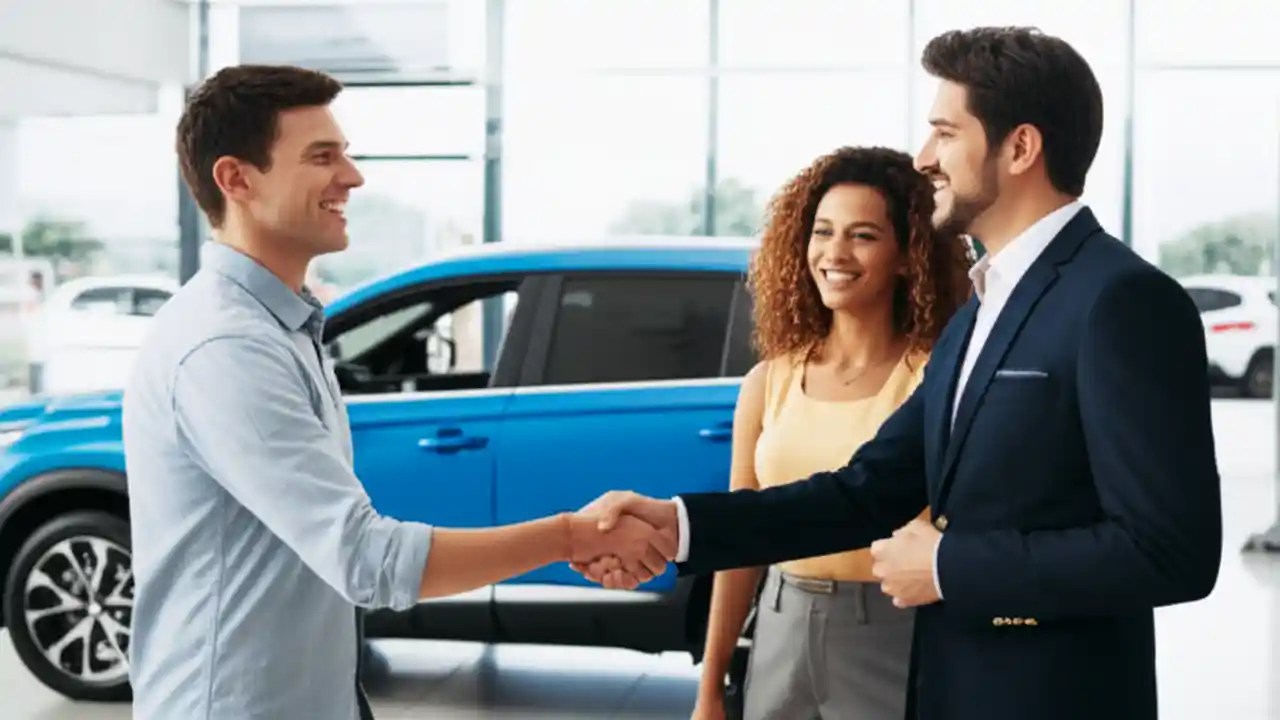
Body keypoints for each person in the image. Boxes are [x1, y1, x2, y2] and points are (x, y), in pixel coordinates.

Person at [576, 26, 1222, 720]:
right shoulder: (979, 314)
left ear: (1021, 147)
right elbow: (865, 492)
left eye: (945, 133)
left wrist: (949, 566)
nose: (924, 159)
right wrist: (677, 526)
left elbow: (1170, 551)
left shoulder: (1121, 300)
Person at [121, 64, 672, 720]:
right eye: (322, 157)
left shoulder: (280, 326)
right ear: (237, 179)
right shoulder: (225, 347)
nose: (351, 177)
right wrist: (569, 537)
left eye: (346, 155)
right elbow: (366, 558)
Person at [688, 147, 969, 720]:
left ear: (908, 257)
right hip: (779, 621)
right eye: (823, 232)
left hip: (894, 629)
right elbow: (743, 536)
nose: (835, 253)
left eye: (863, 236)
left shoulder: (935, 377)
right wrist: (710, 685)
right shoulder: (769, 381)